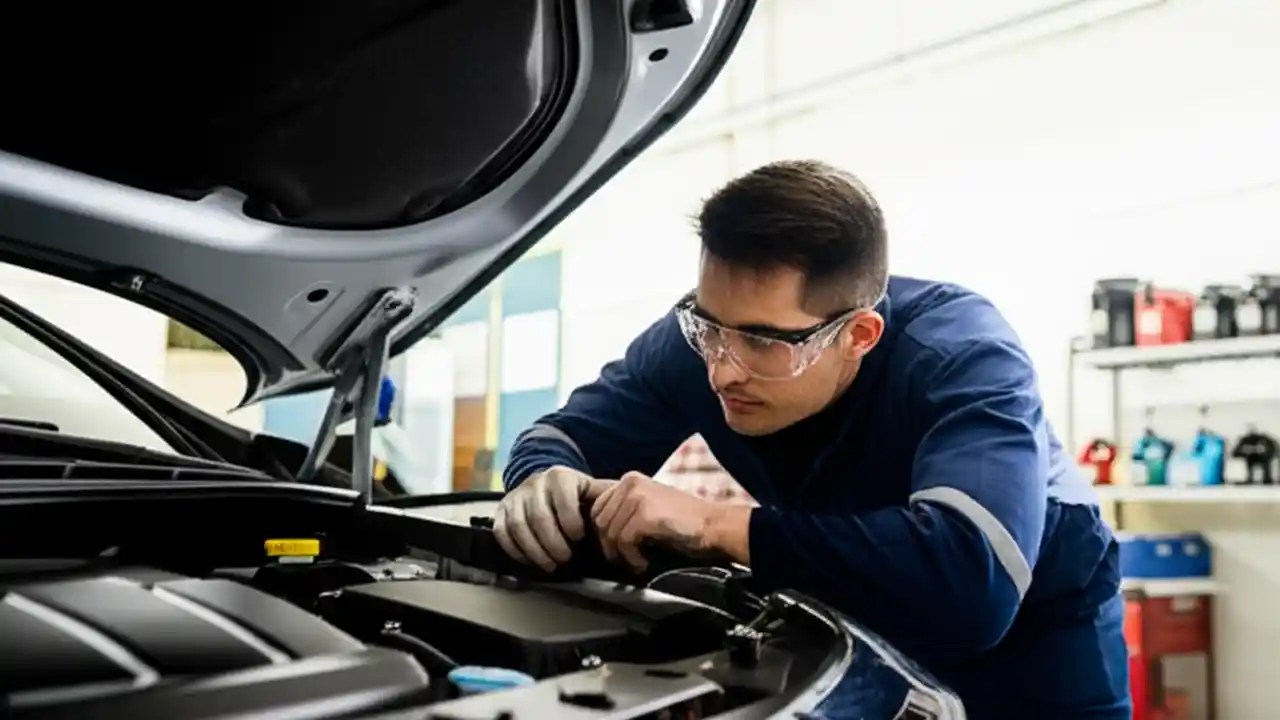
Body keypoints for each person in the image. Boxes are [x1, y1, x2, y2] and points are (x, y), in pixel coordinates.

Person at [493, 160, 1130, 718]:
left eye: (763, 341)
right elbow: (564, 436)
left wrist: (716, 525)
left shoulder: (960, 353)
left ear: (859, 336)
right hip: (858, 590)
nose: (721, 369)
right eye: (710, 327)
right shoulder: (700, 345)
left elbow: (970, 586)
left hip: (1037, 612)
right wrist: (541, 477)